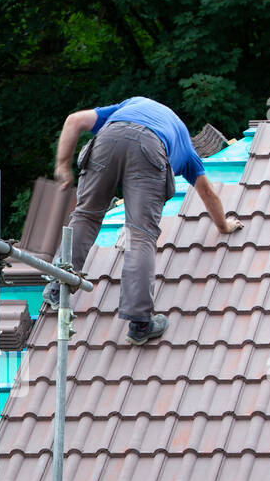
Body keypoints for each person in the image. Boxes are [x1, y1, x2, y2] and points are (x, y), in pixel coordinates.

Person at [48, 96, 243, 344]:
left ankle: (57, 286)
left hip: (108, 140)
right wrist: (223, 225)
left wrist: (63, 165)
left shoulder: (130, 105)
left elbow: (74, 120)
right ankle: (140, 324)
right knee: (140, 234)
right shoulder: (185, 147)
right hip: (151, 148)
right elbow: (207, 192)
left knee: (86, 216)